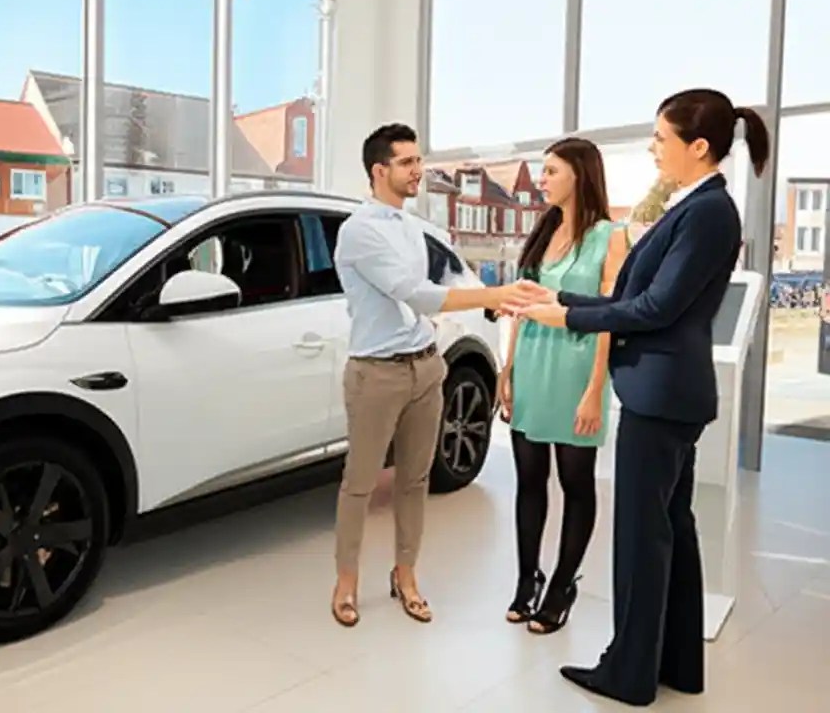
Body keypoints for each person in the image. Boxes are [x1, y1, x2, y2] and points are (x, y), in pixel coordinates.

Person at [508, 88, 770, 706]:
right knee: (671, 530)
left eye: (660, 138)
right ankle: (677, 663)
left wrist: (565, 321)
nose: (653, 150)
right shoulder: (700, 207)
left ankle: (627, 673)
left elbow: (656, 308)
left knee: (642, 538)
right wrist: (564, 301)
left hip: (660, 395)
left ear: (698, 147)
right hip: (669, 392)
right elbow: (642, 299)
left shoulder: (707, 212)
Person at [330, 123, 538, 627]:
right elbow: (414, 293)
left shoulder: (411, 225)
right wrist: (493, 295)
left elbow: (428, 292)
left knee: (415, 480)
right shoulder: (359, 229)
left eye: (419, 160)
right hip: (375, 373)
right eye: (407, 162)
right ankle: (346, 582)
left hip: (426, 366)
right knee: (359, 484)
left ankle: (406, 576)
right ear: (380, 170)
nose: (418, 170)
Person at [499, 137, 629, 635]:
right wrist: (507, 368)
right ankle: (526, 579)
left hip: (577, 370)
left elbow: (610, 316)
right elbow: (521, 304)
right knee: (529, 479)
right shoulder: (544, 228)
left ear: (579, 172)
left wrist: (597, 388)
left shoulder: (609, 236)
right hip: (531, 361)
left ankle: (562, 585)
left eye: (551, 170)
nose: (544, 180)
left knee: (576, 483)